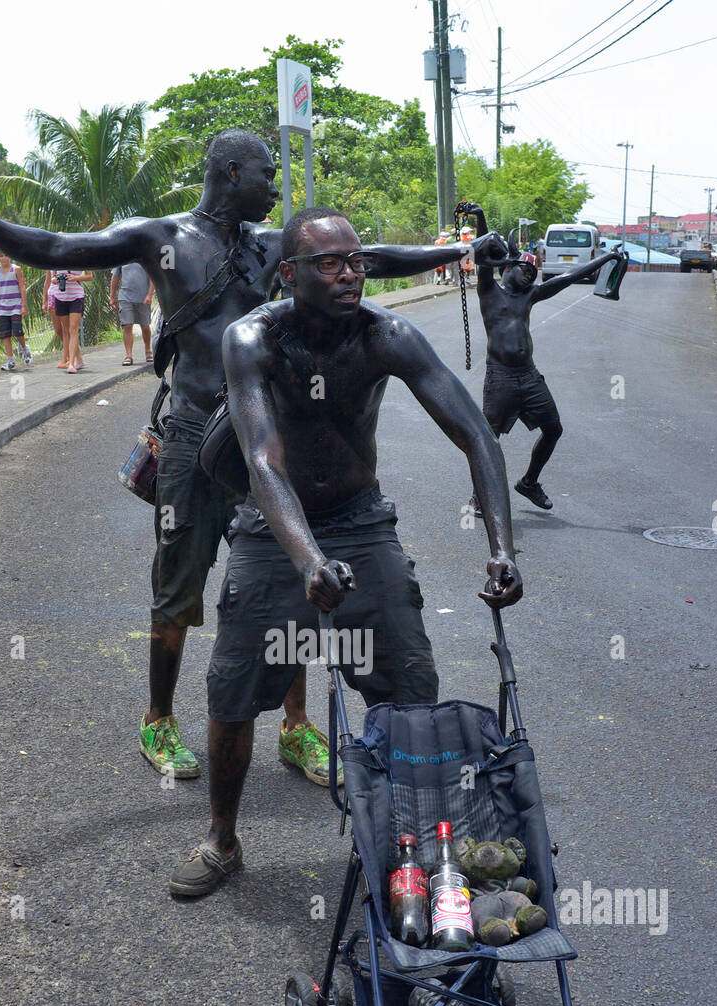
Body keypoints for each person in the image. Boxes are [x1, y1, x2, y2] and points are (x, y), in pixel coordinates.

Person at [0, 133, 474, 785]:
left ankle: (295, 727)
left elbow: (371, 257)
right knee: (179, 588)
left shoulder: (273, 249)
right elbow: (56, 248)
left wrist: (458, 250)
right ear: (232, 172)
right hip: (193, 439)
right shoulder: (163, 239)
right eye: (267, 176)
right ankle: (158, 718)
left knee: (295, 579)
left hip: (268, 447)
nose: (274, 188)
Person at [168, 207, 523, 898]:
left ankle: (413, 848)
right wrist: (306, 562)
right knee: (233, 688)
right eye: (329, 263)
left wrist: (501, 547)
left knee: (412, 688)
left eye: (356, 261)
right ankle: (221, 837)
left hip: (361, 521)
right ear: (288, 274)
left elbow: (476, 435)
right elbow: (263, 463)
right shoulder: (253, 339)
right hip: (273, 528)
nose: (349, 274)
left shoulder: (387, 335)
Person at [465, 205, 623, 512]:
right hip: (500, 379)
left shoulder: (530, 296)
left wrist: (607, 256)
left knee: (554, 429)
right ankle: (478, 495)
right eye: (523, 269)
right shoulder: (489, 290)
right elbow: (484, 249)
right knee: (489, 438)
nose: (528, 275)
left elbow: (569, 276)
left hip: (528, 376)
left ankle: (529, 482)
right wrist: (480, 215)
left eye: (532, 273)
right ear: (506, 268)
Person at [0, 252, 32, 371]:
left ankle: (25, 349)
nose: (4, 258)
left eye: (6, 255)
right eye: (1, 256)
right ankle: (10, 360)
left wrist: (24, 306)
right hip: (3, 307)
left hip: (16, 304)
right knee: (5, 334)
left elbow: (22, 287)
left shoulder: (16, 269)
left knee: (17, 330)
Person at [111, 263, 154, 365]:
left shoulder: (144, 255)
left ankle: (148, 350)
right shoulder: (122, 257)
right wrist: (112, 296)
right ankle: (128, 355)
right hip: (125, 297)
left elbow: (153, 277)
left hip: (143, 298)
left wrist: (149, 295)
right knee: (127, 325)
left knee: (145, 326)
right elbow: (115, 276)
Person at [51, 268, 91, 373]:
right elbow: (53, 277)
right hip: (60, 296)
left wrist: (76, 278)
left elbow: (89, 276)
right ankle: (80, 360)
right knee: (66, 331)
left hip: (76, 297)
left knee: (73, 329)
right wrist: (54, 280)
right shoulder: (57, 258)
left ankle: (72, 364)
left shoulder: (81, 258)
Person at [43, 269, 65, 364]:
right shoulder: (50, 264)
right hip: (52, 295)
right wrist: (44, 301)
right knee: (58, 329)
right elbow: (47, 281)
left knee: (66, 328)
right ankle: (69, 348)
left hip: (64, 295)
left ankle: (69, 354)